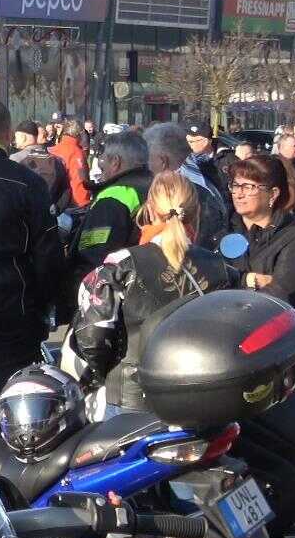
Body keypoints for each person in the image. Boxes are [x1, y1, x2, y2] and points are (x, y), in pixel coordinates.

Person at [71, 172, 235, 411]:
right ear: (197, 211)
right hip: (201, 395)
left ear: (149, 210)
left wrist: (103, 374)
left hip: (133, 399)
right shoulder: (218, 266)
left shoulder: (121, 265)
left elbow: (92, 336)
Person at [0, 101, 62, 403]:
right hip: (12, 306)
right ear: (8, 134)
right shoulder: (28, 182)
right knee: (14, 399)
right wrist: (45, 305)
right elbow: (47, 252)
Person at [228, 154, 295, 393]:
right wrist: (250, 280)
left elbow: (281, 296)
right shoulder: (227, 234)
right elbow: (212, 283)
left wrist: (236, 290)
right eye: (235, 185)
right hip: (236, 355)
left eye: (248, 187)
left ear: (272, 194)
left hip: (288, 360)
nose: (238, 193)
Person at [71, 129, 154, 284]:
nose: (100, 164)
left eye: (103, 159)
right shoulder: (156, 186)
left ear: (115, 162)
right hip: (147, 280)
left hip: (113, 289)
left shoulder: (113, 197)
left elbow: (92, 257)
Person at [147, 122, 229, 247]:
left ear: (163, 161)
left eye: (149, 159)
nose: (147, 166)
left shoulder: (186, 191)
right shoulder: (205, 173)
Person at [49, 120, 91, 207]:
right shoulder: (77, 153)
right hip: (74, 203)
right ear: (79, 134)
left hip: (55, 201)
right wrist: (84, 201)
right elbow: (80, 180)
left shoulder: (52, 150)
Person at [186, 122, 234, 192]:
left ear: (206, 141)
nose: (190, 145)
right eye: (188, 141)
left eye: (192, 141)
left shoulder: (228, 158)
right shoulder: (188, 160)